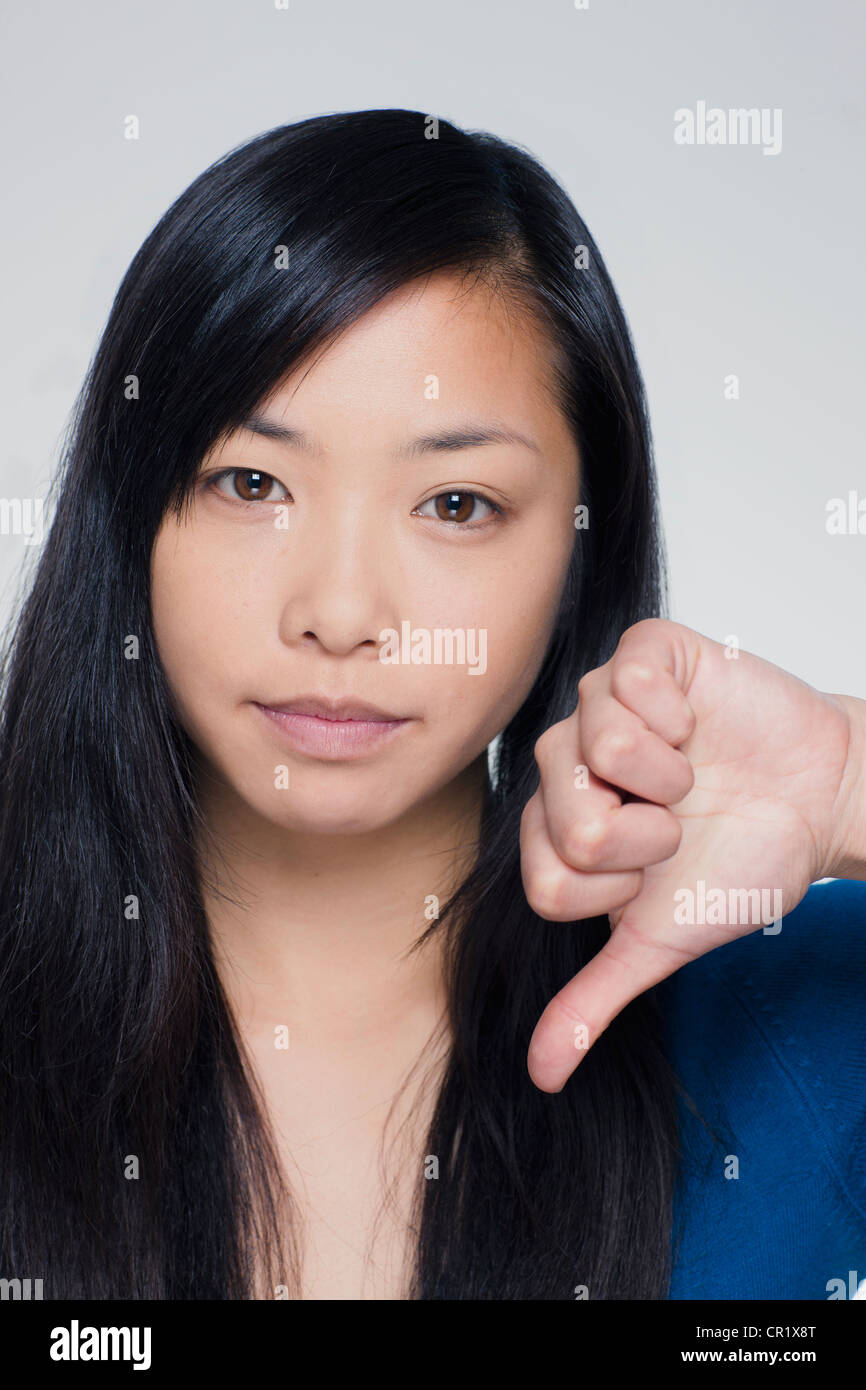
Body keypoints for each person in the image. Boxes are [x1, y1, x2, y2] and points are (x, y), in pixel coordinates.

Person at [0, 108, 863, 1301]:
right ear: (131, 516)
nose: (341, 610)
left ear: (577, 547)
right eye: (252, 483)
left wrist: (846, 783)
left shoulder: (787, 1034)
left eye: (454, 503)